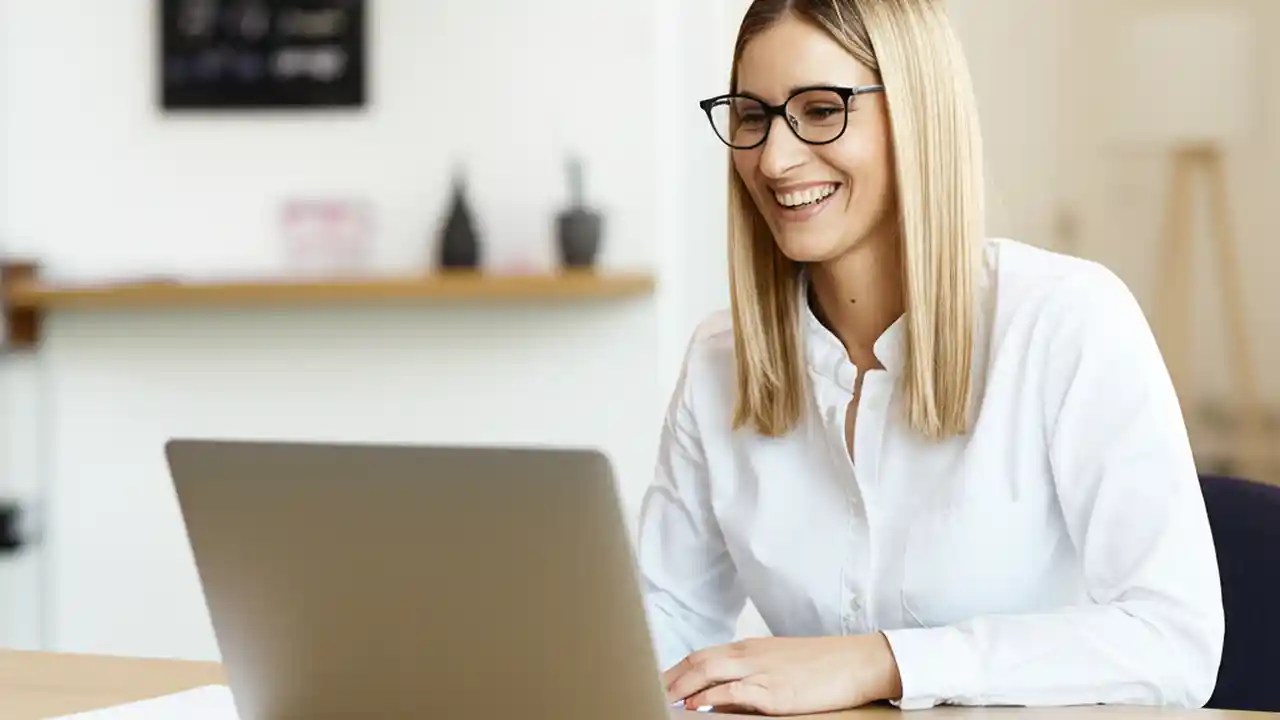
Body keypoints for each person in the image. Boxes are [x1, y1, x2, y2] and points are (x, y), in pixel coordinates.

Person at [637, 0, 1225, 715]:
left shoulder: (1065, 322)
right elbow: (660, 641)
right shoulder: (717, 363)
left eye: (822, 110)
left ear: (918, 114)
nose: (774, 158)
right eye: (752, 117)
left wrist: (883, 662)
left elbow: (1174, 642)